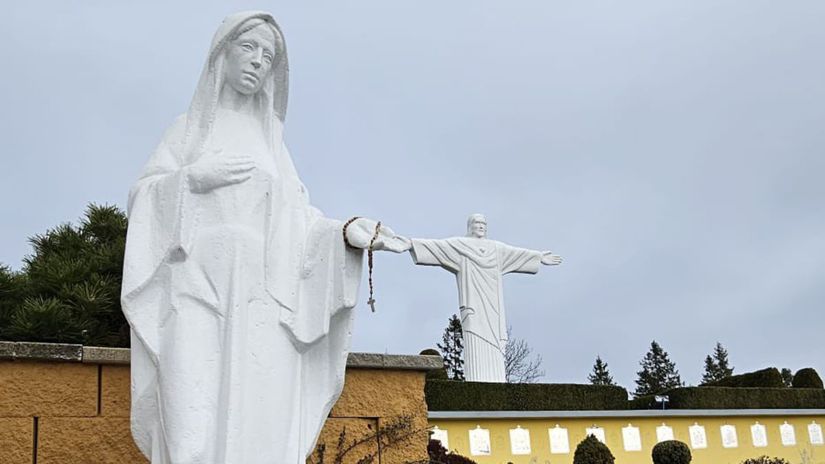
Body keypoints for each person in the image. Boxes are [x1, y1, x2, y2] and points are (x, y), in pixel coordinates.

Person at [121, 12, 407, 463]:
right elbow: (144, 198)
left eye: (268, 56)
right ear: (223, 53)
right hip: (196, 288)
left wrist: (346, 234)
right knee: (188, 413)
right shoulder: (189, 130)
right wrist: (194, 179)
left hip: (260, 296)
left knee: (258, 415)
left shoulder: (272, 143)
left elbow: (299, 221)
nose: (257, 62)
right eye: (248, 48)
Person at [408, 213, 561, 382]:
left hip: (493, 307)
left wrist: (538, 257)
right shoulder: (461, 246)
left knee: (496, 345)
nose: (481, 226)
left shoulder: (496, 249)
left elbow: (517, 254)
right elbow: (437, 247)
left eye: (484, 223)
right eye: (477, 223)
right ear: (470, 226)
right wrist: (410, 244)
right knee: (475, 340)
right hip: (473, 306)